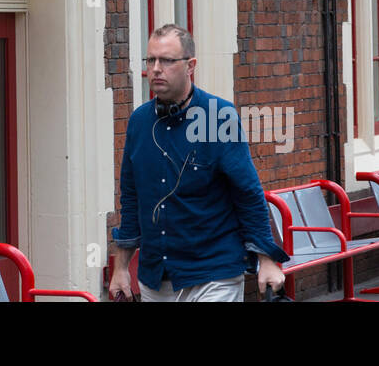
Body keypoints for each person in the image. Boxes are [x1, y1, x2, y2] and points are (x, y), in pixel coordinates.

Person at [108, 24, 288, 302]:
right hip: (156, 277)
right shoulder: (139, 122)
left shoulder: (219, 117)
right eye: (151, 60)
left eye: (167, 60)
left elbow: (248, 193)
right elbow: (132, 198)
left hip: (214, 272)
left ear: (190, 65)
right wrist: (121, 267)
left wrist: (266, 259)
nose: (156, 68)